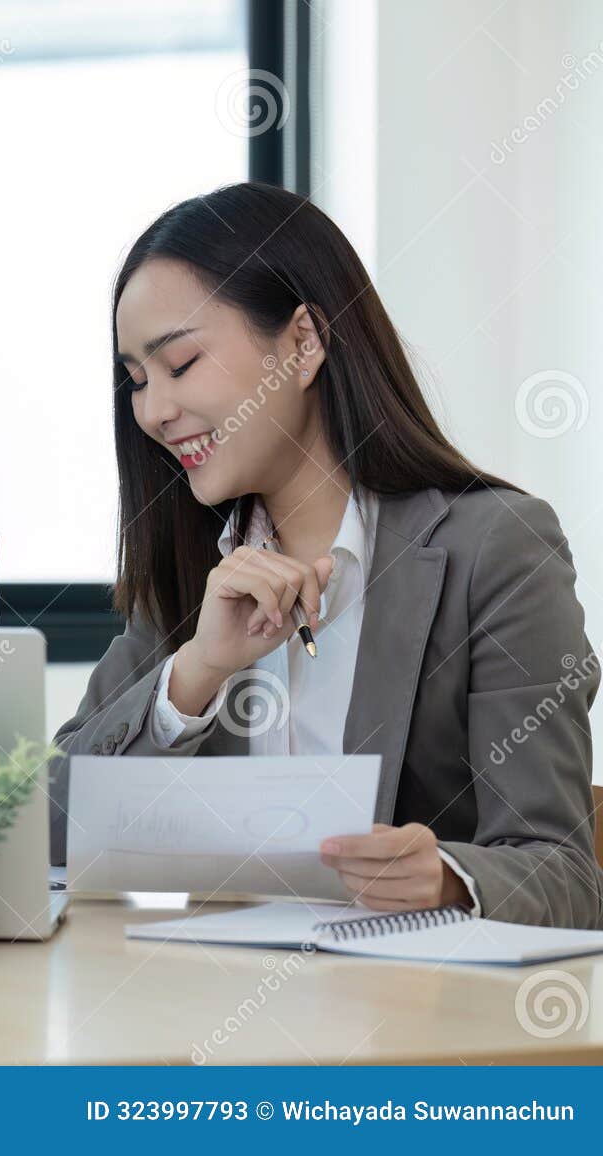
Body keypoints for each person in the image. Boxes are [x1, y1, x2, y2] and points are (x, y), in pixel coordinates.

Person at [53, 181, 603, 928]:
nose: (153, 412)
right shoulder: (187, 563)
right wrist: (197, 672)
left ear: (304, 343)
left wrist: (445, 875)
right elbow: (51, 832)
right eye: (137, 381)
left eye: (179, 365)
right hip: (201, 1010)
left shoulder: (495, 549)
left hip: (408, 1020)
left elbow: (565, 875)